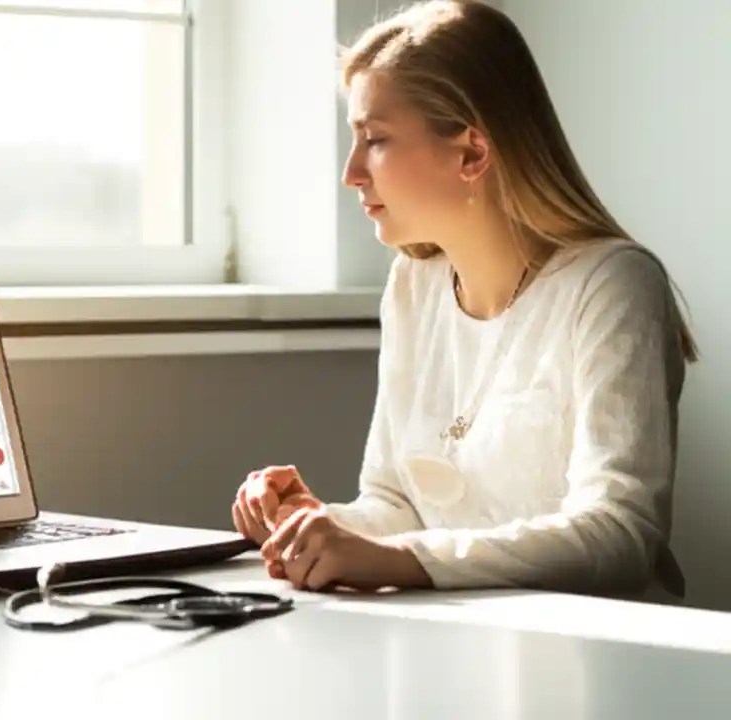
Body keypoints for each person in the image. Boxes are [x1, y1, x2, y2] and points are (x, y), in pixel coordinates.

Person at [231, 0, 697, 602]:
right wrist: (319, 526)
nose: (350, 172)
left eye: (374, 139)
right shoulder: (413, 287)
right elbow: (399, 505)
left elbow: (621, 533)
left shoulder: (613, 285)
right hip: (458, 638)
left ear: (472, 152)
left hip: (597, 654)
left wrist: (395, 559)